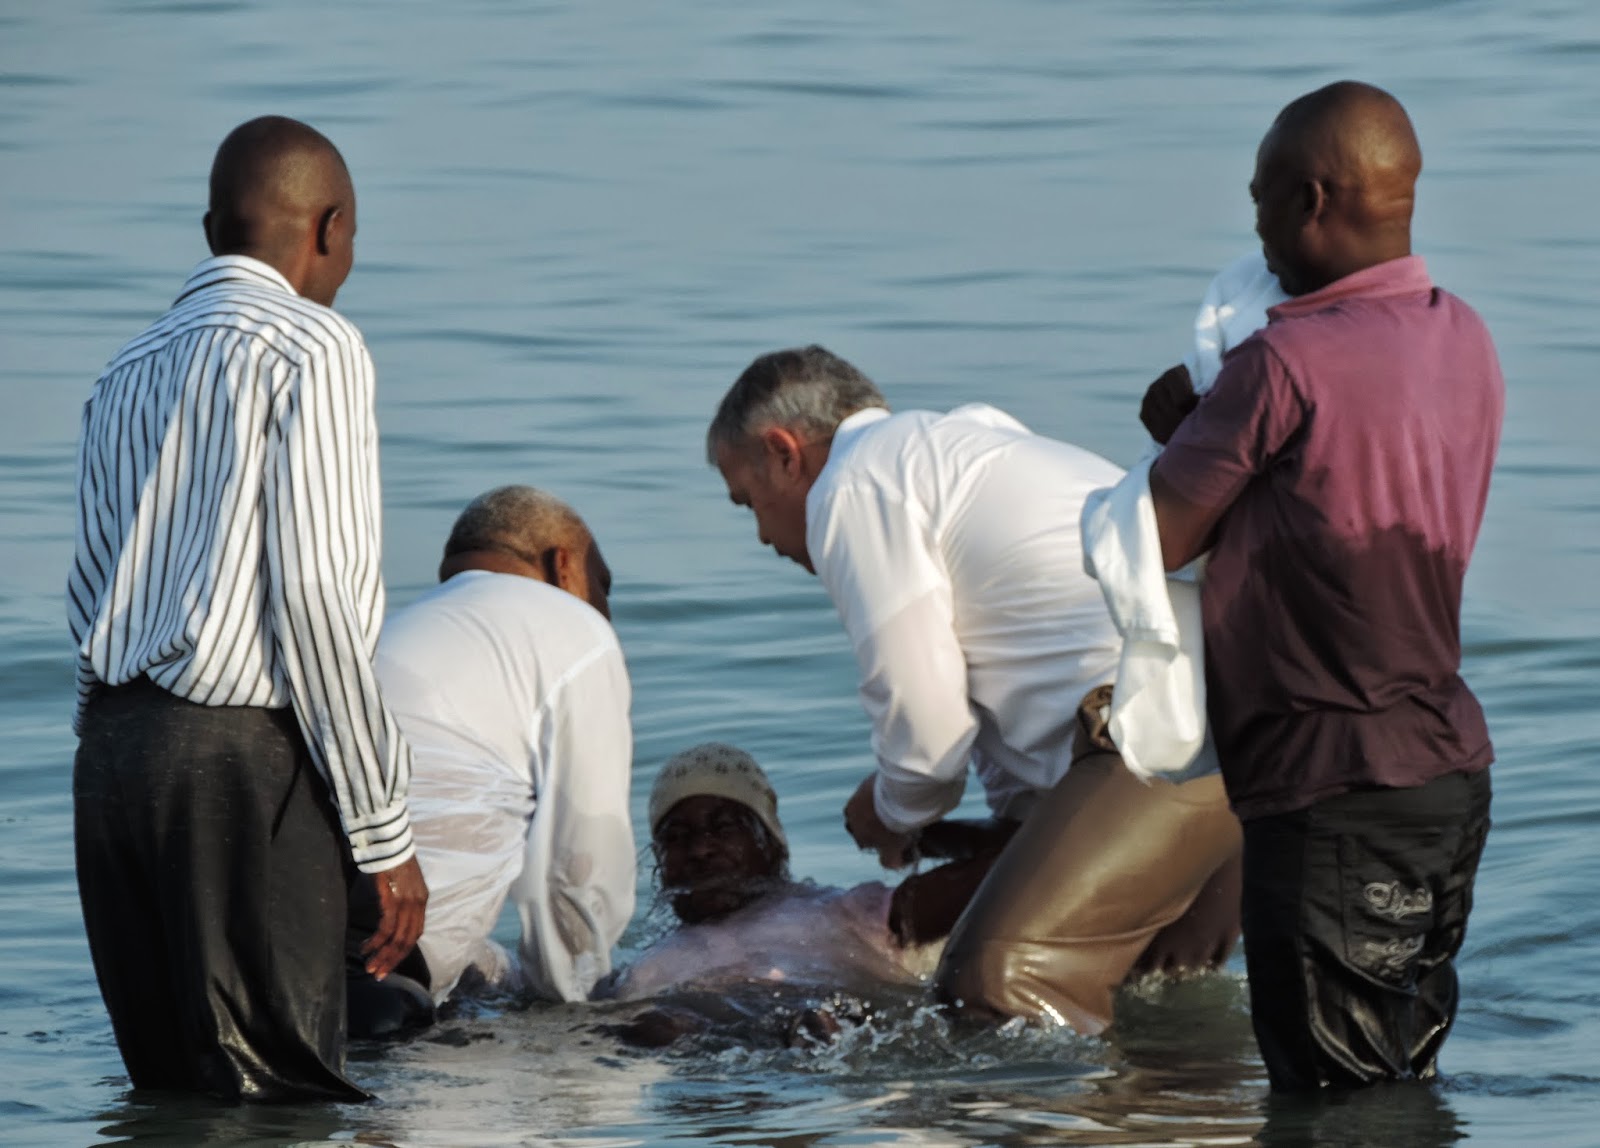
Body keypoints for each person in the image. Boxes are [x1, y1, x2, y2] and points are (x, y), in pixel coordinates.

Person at [706, 347, 1244, 1033]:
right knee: (1157, 1012)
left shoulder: (856, 483)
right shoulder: (968, 444)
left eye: (748, 501)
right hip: (1240, 733)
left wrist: (891, 811)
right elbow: (1017, 687)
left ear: (784, 453)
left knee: (993, 984)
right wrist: (970, 836)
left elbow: (927, 737)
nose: (761, 533)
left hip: (1159, 731)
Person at [1145, 81, 1504, 1091]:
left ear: (1309, 199)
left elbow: (1157, 535)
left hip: (1330, 780)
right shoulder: (1462, 332)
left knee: (1333, 1098)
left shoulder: (1281, 362)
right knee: (1396, 1080)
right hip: (1445, 774)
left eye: (1260, 197)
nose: (1254, 225)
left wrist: (1182, 423)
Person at [67, 115, 426, 1102]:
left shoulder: (123, 371)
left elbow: (92, 589)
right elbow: (314, 596)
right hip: (236, 758)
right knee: (277, 1097)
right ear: (330, 227)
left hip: (112, 760)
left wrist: (120, 753)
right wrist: (382, 831)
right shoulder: (316, 346)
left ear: (210, 229)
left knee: (172, 1091)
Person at [346, 485, 635, 1035]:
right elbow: (581, 870)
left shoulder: (390, 632)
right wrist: (576, 1014)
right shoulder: (575, 628)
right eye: (603, 586)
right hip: (385, 964)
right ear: (563, 564)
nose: (605, 610)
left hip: (284, 925)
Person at [598, 743, 941, 1045]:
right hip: (726, 1061)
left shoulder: (853, 912)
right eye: (676, 836)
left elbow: (969, 906)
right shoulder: (642, 973)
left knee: (818, 1019)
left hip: (843, 1033)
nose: (700, 849)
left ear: (771, 843)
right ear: (659, 861)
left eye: (724, 828)